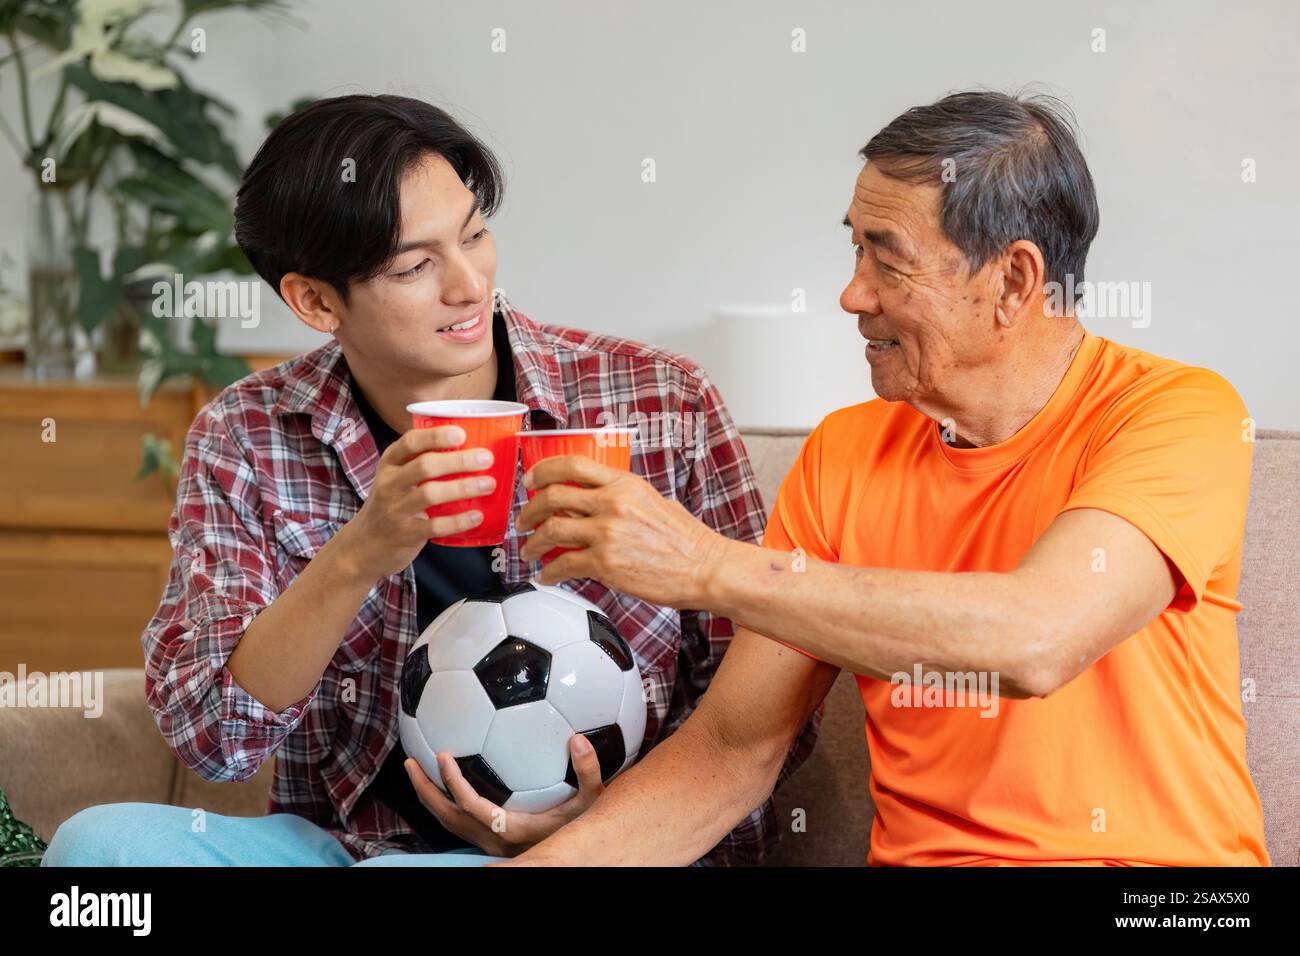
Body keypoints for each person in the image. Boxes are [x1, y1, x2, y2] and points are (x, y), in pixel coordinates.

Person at [41, 95, 817, 867]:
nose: (470, 285)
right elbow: (215, 739)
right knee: (100, 847)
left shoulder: (659, 400)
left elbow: (765, 711)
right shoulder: (247, 436)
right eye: (416, 265)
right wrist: (359, 552)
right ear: (315, 300)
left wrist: (596, 836)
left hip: (614, 853)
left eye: (475, 235)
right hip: (349, 850)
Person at [508, 91, 1270, 867]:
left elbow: (1037, 640)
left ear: (1012, 282)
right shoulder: (844, 453)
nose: (852, 295)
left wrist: (706, 567)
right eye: (855, 253)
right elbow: (729, 754)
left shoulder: (1180, 415)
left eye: (889, 260)